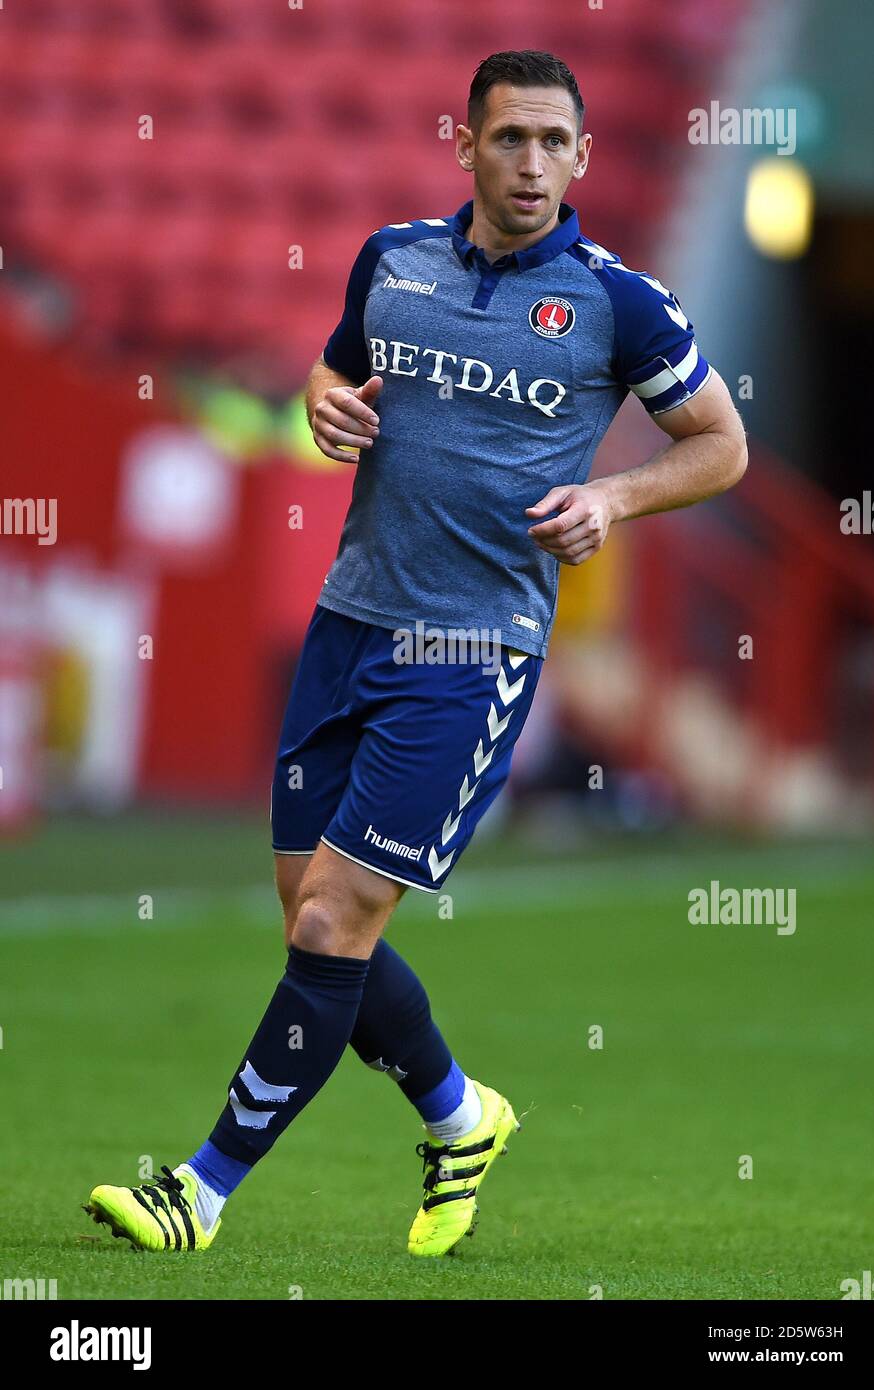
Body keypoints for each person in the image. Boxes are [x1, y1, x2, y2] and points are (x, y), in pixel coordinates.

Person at [85, 49, 746, 1258]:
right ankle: (457, 1115)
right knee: (311, 922)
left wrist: (616, 500)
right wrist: (322, 402)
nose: (532, 163)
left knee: (335, 922)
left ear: (584, 157)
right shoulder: (394, 261)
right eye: (510, 140)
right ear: (467, 143)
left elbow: (719, 442)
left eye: (554, 141)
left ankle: (201, 1191)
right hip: (348, 624)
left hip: (471, 650)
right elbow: (336, 377)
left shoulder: (617, 303)